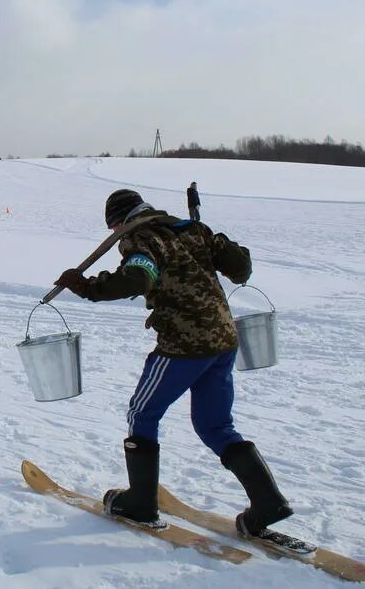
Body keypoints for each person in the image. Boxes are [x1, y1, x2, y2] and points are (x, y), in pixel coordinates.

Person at [53, 189, 292, 537]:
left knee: (141, 412)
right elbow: (241, 268)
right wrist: (213, 239)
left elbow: (138, 278)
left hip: (183, 344)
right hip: (223, 339)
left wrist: (87, 286)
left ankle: (140, 502)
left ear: (119, 222)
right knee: (215, 426)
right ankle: (267, 503)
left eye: (114, 227)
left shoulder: (142, 237)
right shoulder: (191, 229)